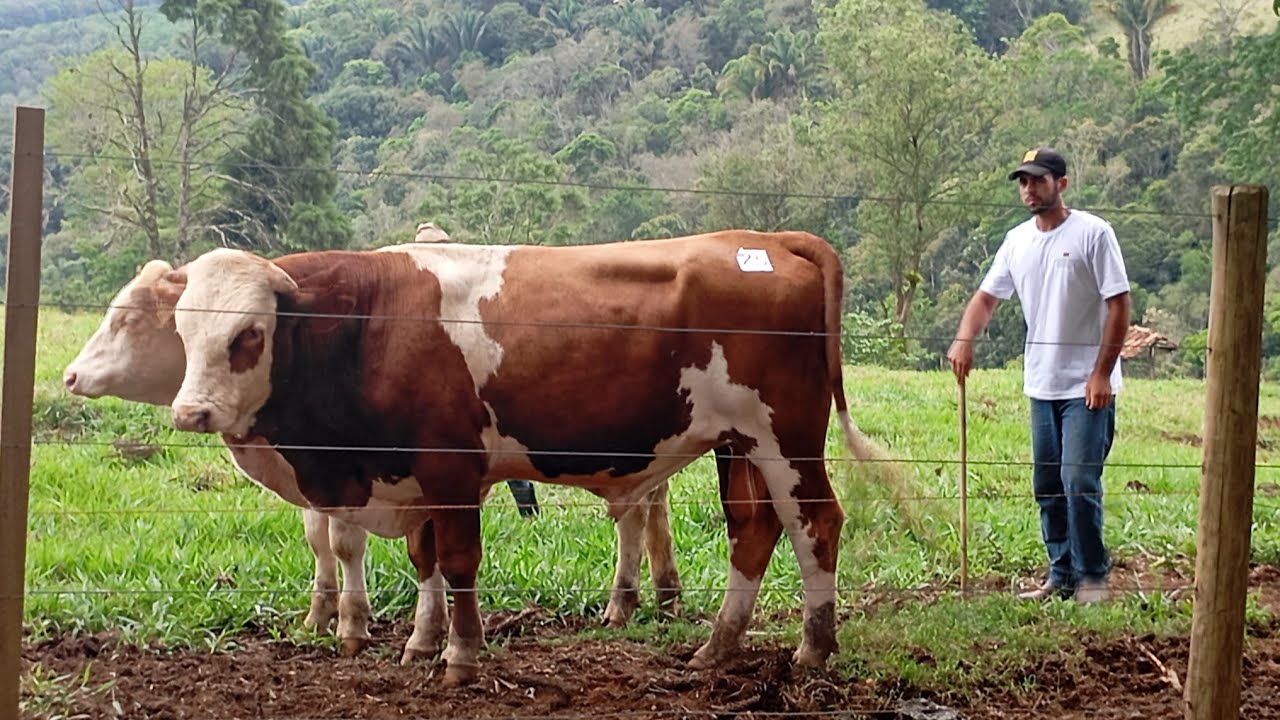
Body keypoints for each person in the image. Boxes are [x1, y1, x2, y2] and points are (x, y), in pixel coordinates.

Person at [946, 147, 1131, 605]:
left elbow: (1119, 304)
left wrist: (1101, 374)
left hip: (1087, 386)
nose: (1029, 189)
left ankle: (1093, 578)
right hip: (1041, 384)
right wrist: (965, 338)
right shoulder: (1017, 241)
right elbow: (986, 298)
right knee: (1047, 485)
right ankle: (1061, 573)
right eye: (1024, 182)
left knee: (1079, 481)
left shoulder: (1094, 233)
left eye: (1038, 180)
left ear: (1061, 184)